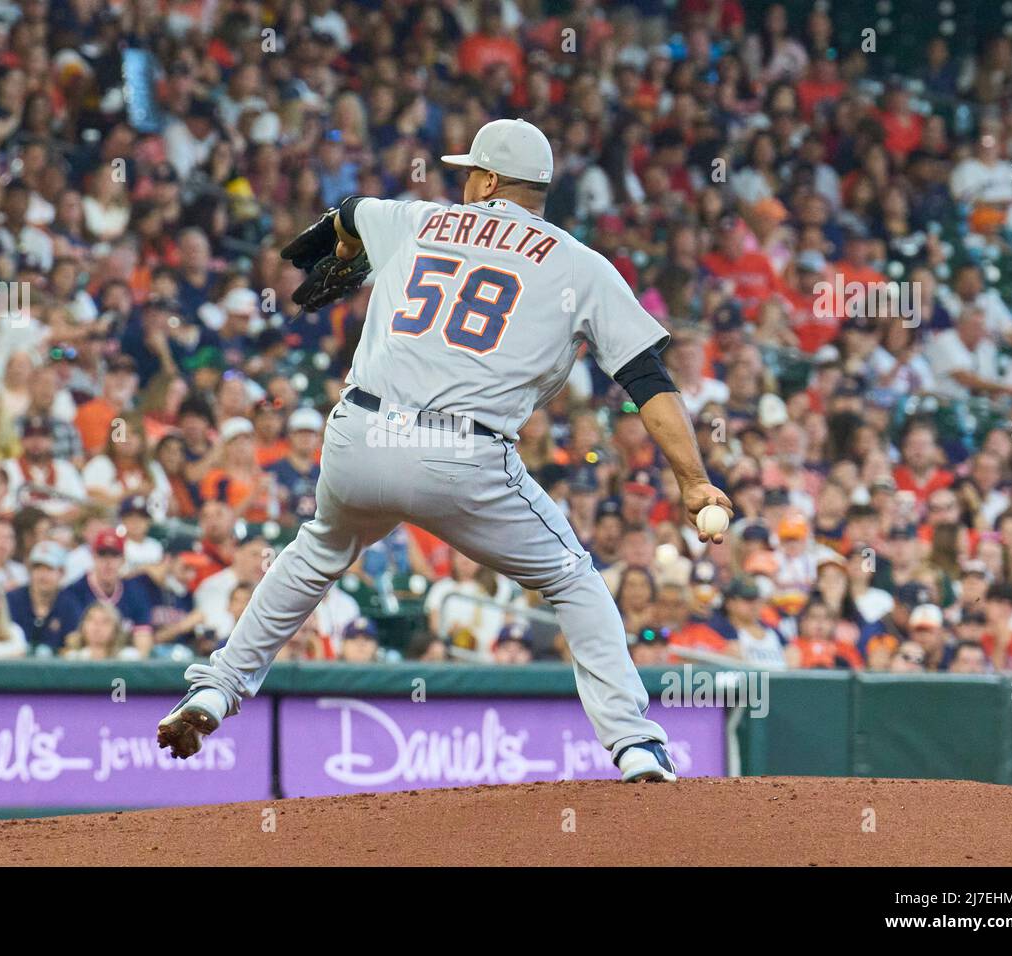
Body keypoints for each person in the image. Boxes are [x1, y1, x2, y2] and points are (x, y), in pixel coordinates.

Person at [160, 118, 733, 784]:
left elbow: (343, 216)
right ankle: (634, 744)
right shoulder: (582, 265)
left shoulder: (416, 219)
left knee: (317, 549)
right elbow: (646, 381)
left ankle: (218, 685)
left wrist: (344, 255)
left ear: (488, 179)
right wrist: (693, 482)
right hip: (461, 456)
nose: (463, 182)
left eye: (470, 172)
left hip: (362, 436)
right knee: (571, 579)